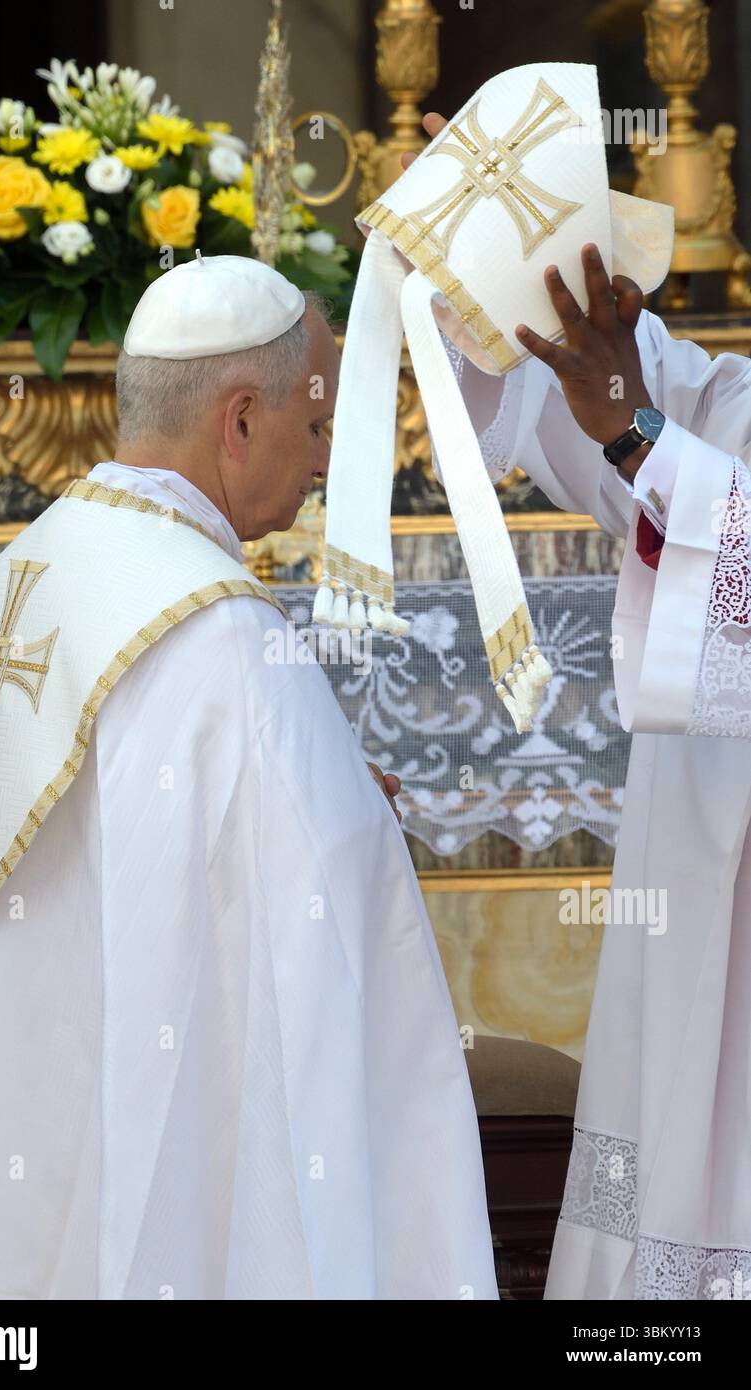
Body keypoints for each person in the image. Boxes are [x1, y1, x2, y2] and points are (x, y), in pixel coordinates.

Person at [0, 254, 497, 1301]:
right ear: (240, 420)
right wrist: (360, 814)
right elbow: (330, 932)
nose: (321, 462)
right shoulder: (219, 634)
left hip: (7, 1165)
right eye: (313, 429)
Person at [408, 109, 751, 1300]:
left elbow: (670, 459)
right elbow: (618, 402)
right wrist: (472, 249)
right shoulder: (731, 406)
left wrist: (640, 434)